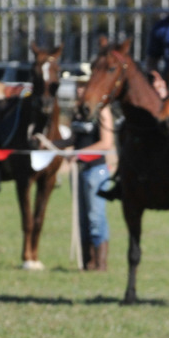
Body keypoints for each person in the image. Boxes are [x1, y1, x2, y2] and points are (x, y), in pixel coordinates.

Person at [70, 64, 116, 270]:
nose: (80, 89)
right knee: (82, 219)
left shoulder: (102, 110)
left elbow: (107, 143)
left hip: (96, 171)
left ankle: (101, 262)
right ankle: (87, 261)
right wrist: (51, 145)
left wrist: (80, 154)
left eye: (84, 84)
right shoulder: (77, 110)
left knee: (96, 217)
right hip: (79, 171)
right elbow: (74, 139)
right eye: (78, 85)